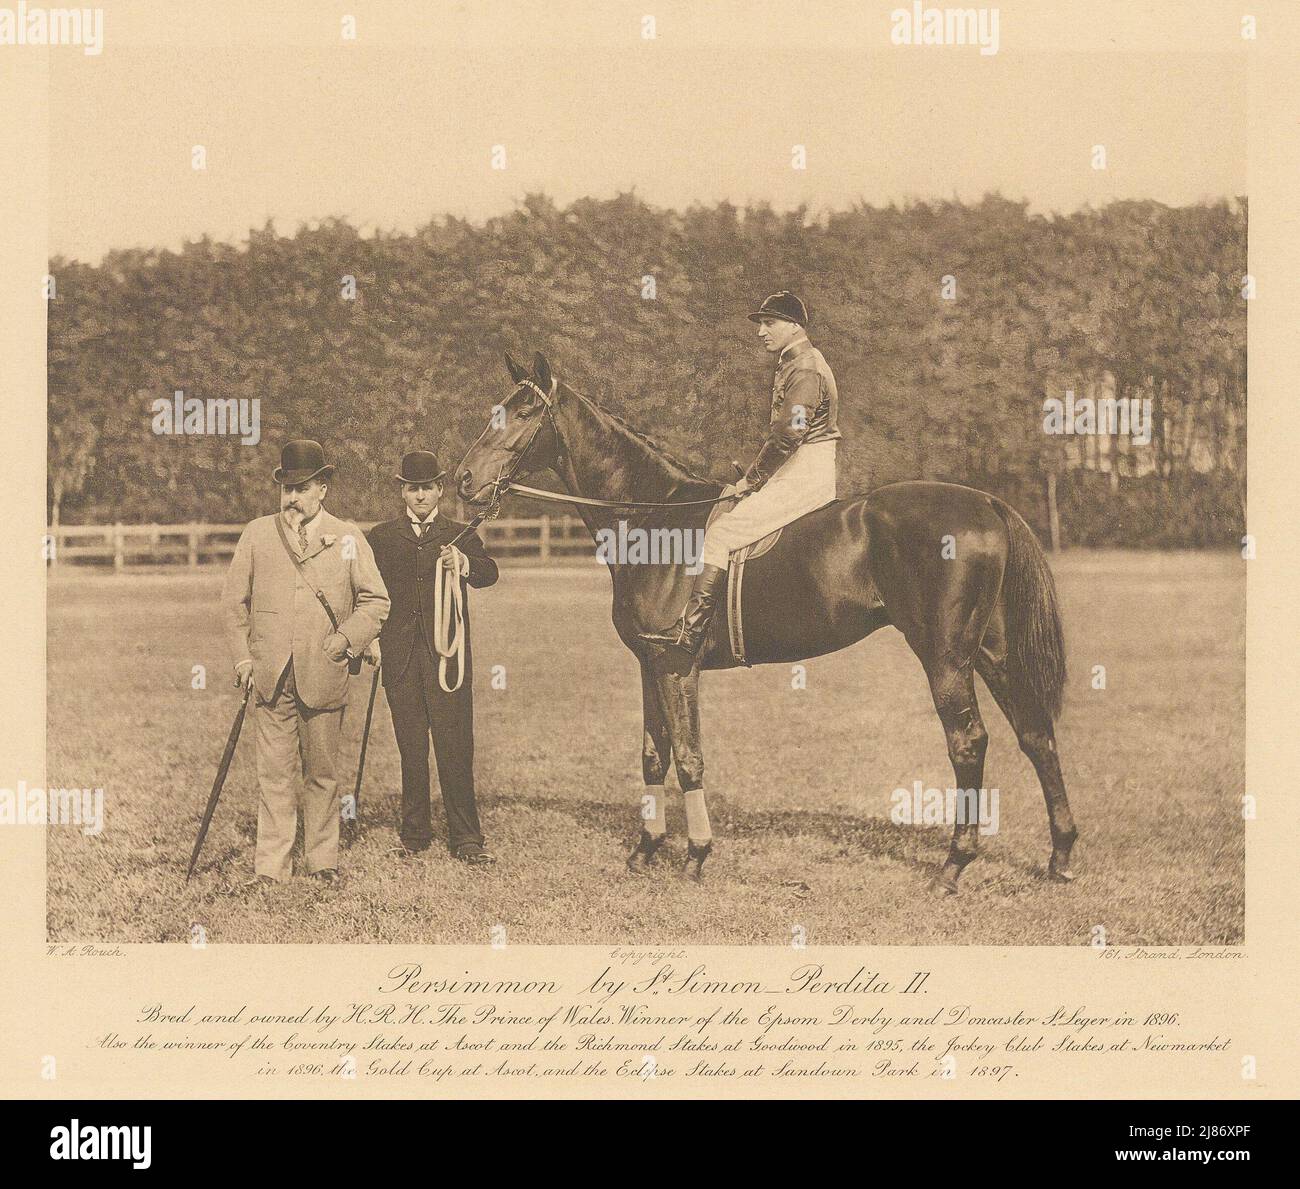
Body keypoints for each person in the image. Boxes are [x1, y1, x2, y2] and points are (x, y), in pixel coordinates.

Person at [222, 439, 389, 886]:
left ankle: (322, 862)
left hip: (325, 672)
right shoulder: (258, 534)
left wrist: (346, 640)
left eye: (302, 488)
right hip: (270, 676)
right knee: (273, 776)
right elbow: (234, 603)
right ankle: (271, 869)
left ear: (322, 490)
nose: (292, 498)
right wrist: (243, 658)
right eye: (286, 488)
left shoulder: (349, 538)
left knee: (322, 774)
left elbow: (375, 600)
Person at [641, 290, 841, 655]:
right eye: (761, 323)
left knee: (721, 535)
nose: (761, 331)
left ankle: (692, 631)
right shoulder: (798, 362)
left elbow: (789, 434)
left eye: (770, 323)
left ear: (794, 325)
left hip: (806, 471)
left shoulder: (806, 368)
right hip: (800, 466)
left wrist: (754, 479)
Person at [367, 449, 500, 865]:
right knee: (411, 748)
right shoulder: (382, 537)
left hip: (449, 660)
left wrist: (463, 563)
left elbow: (489, 573)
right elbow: (367, 593)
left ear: (439, 489)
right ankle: (414, 833)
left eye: (427, 487)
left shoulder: (460, 534)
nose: (421, 495)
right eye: (413, 488)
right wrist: (370, 639)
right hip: (400, 657)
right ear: (403, 491)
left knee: (455, 745)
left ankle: (466, 838)